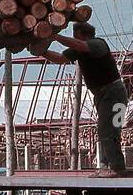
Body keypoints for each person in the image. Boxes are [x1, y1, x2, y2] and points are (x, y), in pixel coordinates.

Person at [43, 24, 128, 173]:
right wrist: (41, 52)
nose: (74, 38)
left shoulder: (98, 44)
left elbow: (79, 45)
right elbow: (59, 58)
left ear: (83, 35)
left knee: (109, 130)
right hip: (105, 95)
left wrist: (55, 36)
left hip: (114, 94)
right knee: (109, 130)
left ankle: (116, 167)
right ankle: (107, 165)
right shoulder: (78, 50)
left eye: (75, 34)